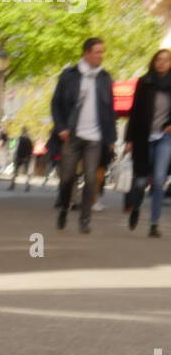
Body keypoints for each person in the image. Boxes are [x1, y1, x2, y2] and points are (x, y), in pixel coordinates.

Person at [50, 36, 116, 233]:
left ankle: (85, 219)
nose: (101, 56)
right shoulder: (69, 75)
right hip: (72, 136)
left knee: (90, 179)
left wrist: (111, 138)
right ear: (86, 53)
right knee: (67, 178)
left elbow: (110, 109)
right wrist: (61, 127)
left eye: (102, 52)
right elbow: (55, 103)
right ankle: (63, 208)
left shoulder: (105, 78)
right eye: (97, 52)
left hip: (94, 138)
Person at [123, 48, 171, 237]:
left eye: (166, 60)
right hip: (143, 137)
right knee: (140, 180)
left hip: (165, 138)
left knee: (159, 180)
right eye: (159, 59)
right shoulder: (144, 82)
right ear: (153, 61)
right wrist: (129, 139)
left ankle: (153, 223)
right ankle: (135, 207)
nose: (162, 63)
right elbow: (134, 112)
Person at [9, 126, 34, 191]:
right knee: (26, 172)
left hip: (19, 157)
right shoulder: (29, 140)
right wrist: (28, 156)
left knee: (15, 171)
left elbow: (13, 147)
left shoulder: (18, 138)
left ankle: (12, 185)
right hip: (26, 157)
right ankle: (27, 185)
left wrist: (15, 156)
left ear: (21, 131)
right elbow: (31, 150)